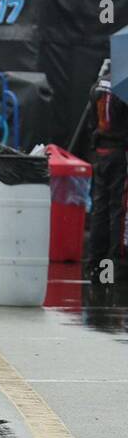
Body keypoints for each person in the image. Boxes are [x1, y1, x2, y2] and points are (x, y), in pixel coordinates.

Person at [87, 57, 128, 275]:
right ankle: (115, 263)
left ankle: (94, 261)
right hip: (120, 154)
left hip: (100, 153)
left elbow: (92, 121)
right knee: (118, 210)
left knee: (99, 208)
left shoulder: (98, 84)